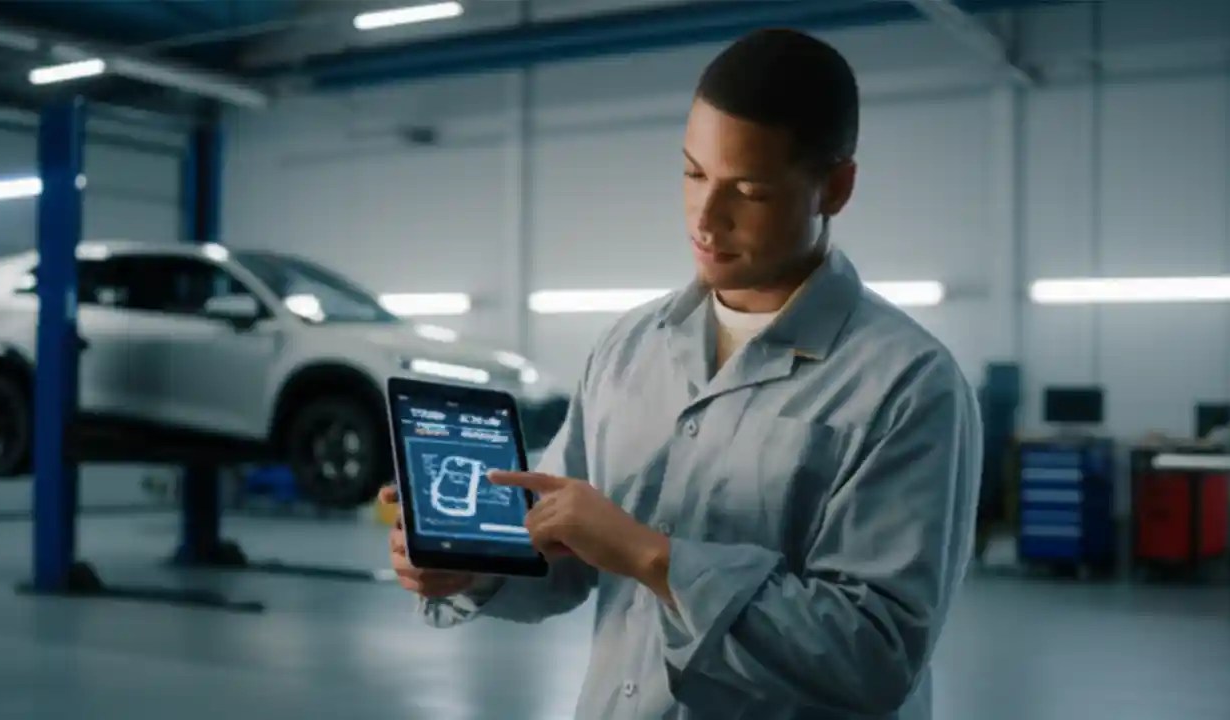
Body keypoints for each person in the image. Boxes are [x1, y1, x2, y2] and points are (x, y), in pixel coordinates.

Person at [383, 28, 983, 720]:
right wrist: (471, 569)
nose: (706, 216)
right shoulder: (629, 349)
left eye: (749, 192)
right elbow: (563, 557)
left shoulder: (907, 384)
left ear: (835, 188)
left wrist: (653, 556)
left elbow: (874, 657)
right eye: (693, 173)